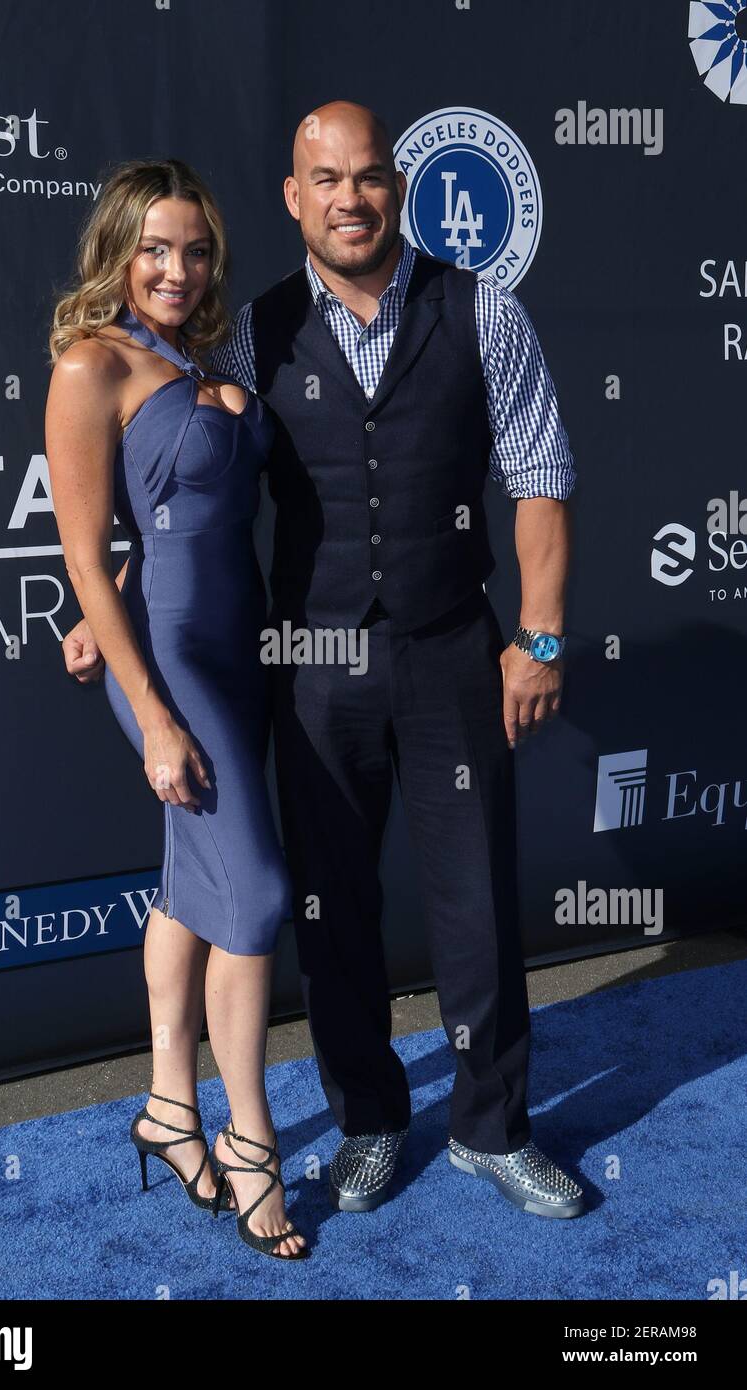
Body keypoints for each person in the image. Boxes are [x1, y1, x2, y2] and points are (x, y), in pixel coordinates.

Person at [63, 103, 586, 1220]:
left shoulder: (481, 308)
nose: (349, 197)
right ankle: (367, 1118)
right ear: (294, 200)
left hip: (453, 648)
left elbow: (539, 472)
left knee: (476, 898)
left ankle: (492, 1126)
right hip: (308, 659)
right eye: (324, 180)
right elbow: (185, 484)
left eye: (368, 177)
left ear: (395, 188)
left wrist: (536, 636)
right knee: (326, 904)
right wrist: (108, 608)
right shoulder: (250, 331)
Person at [45, 158, 308, 1259]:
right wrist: (148, 709)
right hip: (168, 668)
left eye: (195, 250)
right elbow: (86, 558)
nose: (177, 269)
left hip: (239, 651)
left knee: (187, 881)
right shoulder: (88, 364)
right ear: (117, 250)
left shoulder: (197, 352)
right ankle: (253, 1139)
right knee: (251, 896)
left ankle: (166, 1105)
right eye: (154, 248)